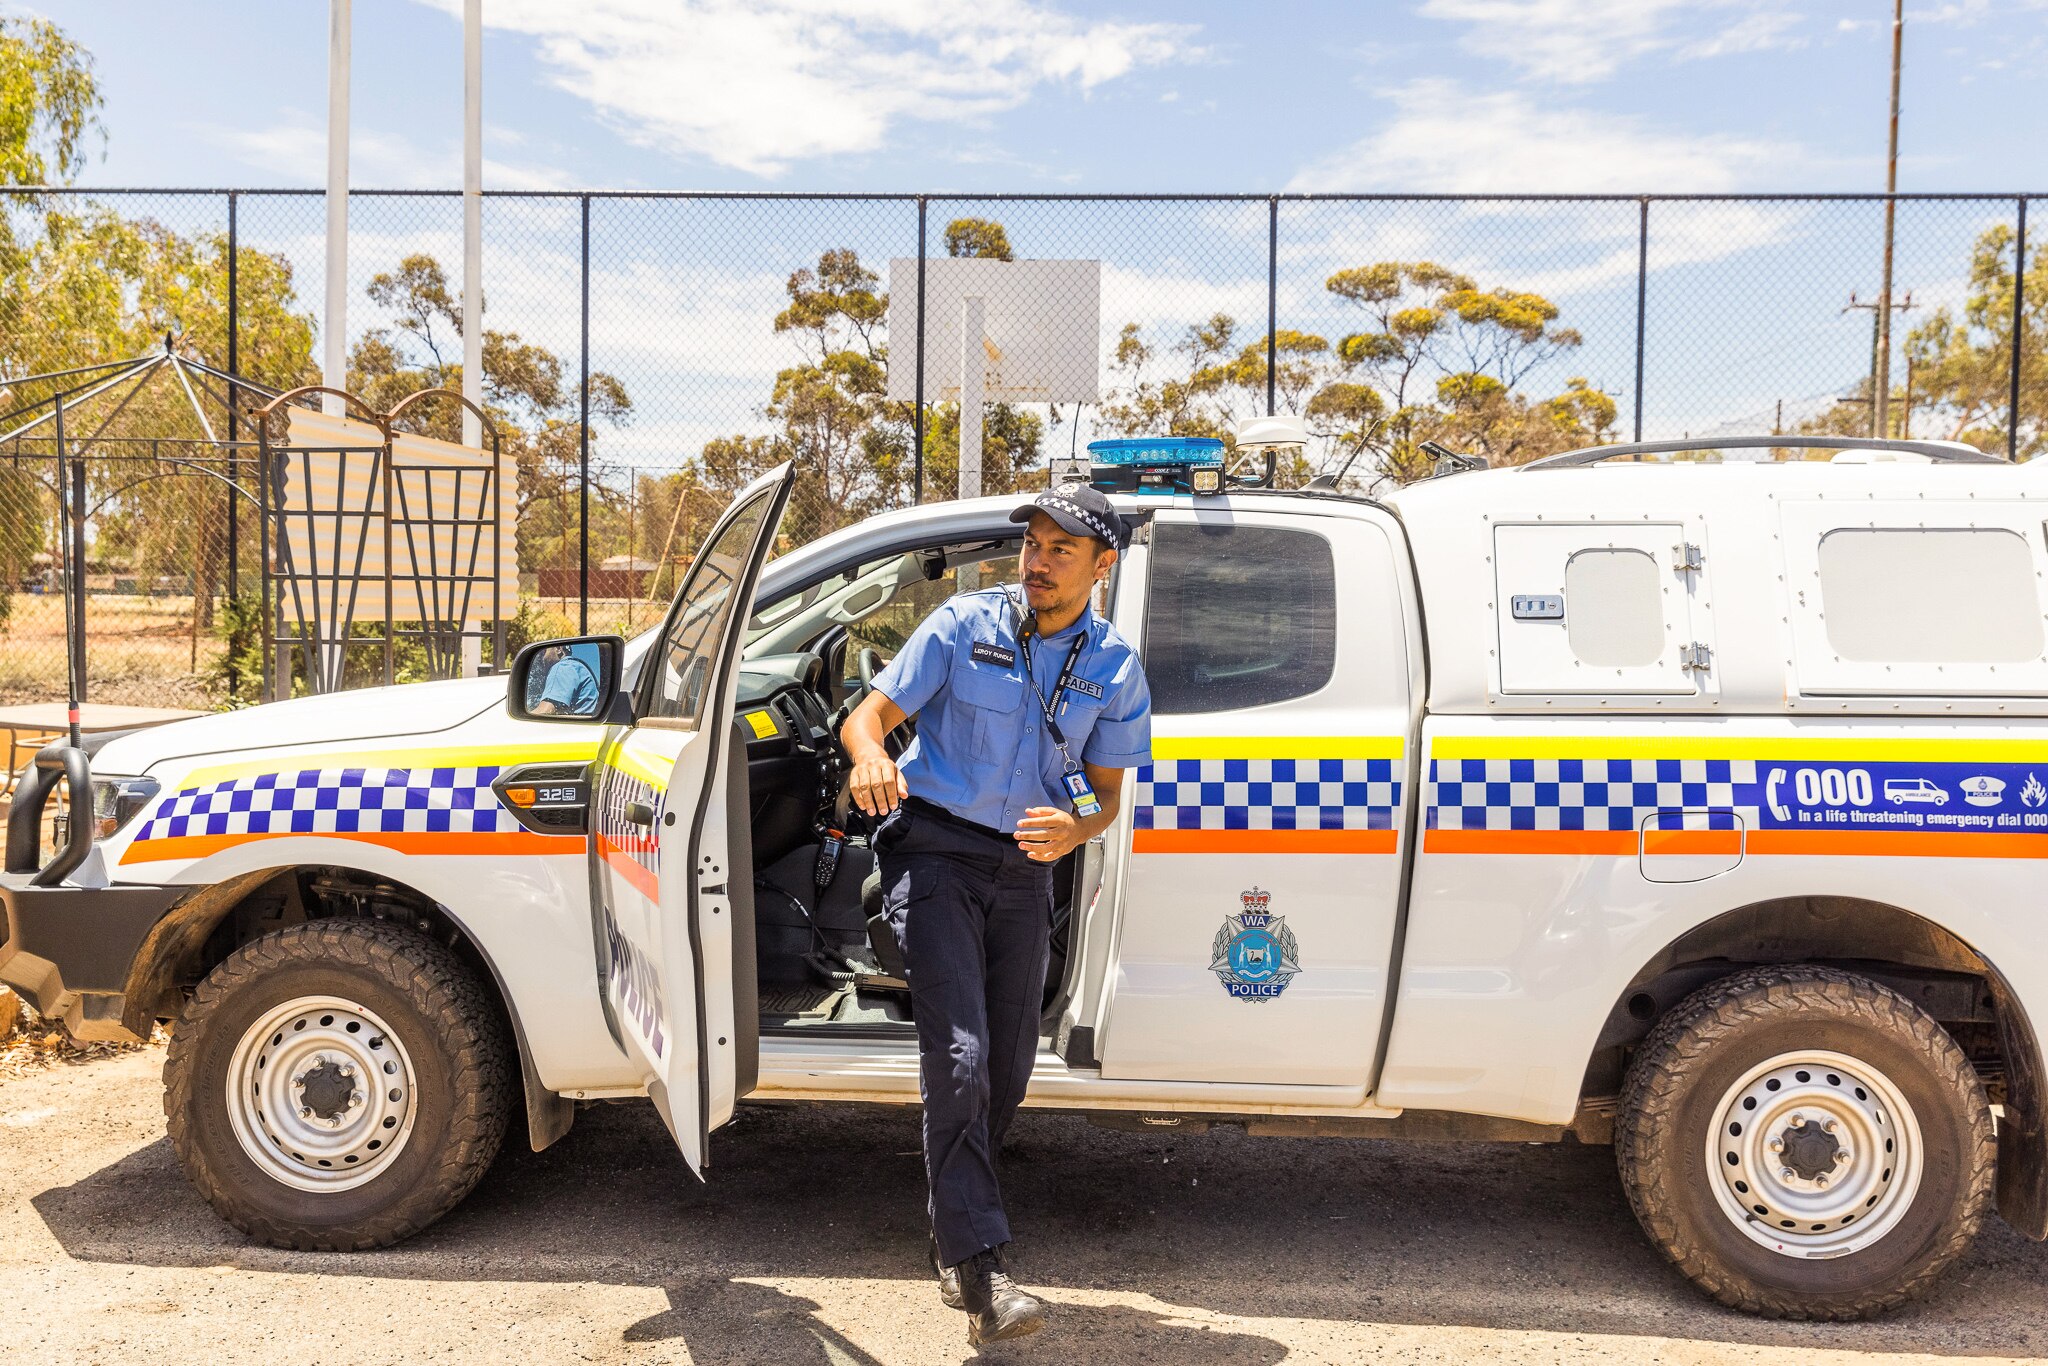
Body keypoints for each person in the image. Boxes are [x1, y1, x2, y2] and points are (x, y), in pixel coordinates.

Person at [839, 484, 1153, 1346]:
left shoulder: (1116, 667)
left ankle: (952, 1216)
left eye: (1061, 550)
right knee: (962, 1053)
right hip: (934, 852)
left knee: (1009, 1063)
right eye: (1034, 545)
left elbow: (1108, 800)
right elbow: (868, 719)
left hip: (1024, 870)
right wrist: (871, 760)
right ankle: (981, 1270)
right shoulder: (961, 626)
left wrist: (1076, 824)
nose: (1039, 561)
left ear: (1101, 565)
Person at [529, 643, 599, 716]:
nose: (541, 657)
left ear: (559, 649)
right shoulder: (575, 666)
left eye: (543, 652)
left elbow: (546, 711)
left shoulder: (562, 667)